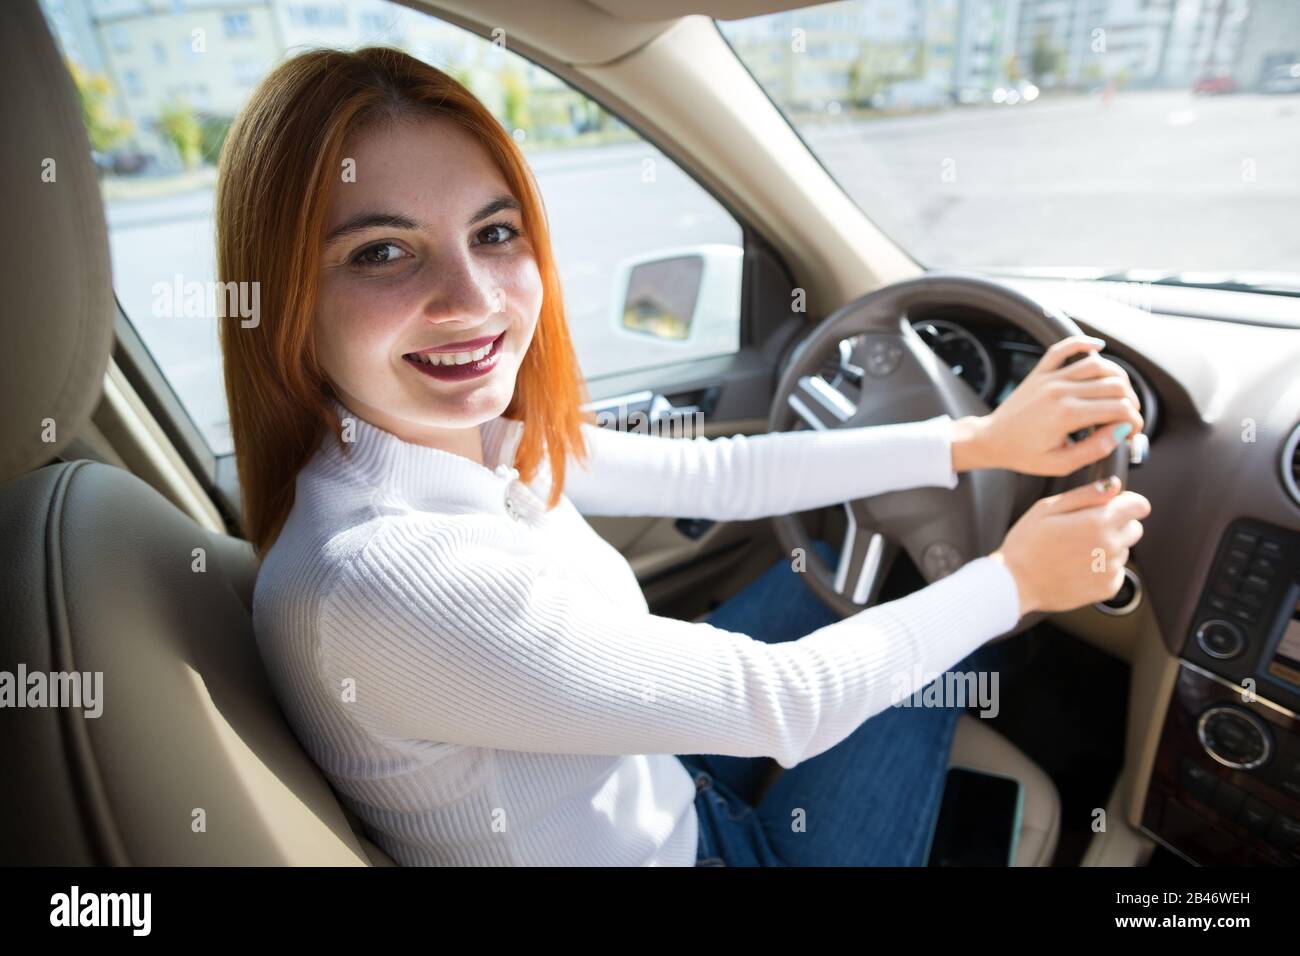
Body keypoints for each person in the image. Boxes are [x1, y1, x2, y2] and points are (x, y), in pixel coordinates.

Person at [221, 47, 1149, 866]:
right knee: (931, 619)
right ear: (281, 299)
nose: (471, 298)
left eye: (495, 233)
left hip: (660, 777)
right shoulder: (387, 578)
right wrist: (1016, 580)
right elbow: (789, 703)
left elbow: (721, 477)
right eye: (383, 252)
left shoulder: (454, 441)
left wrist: (977, 442)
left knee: (856, 581)